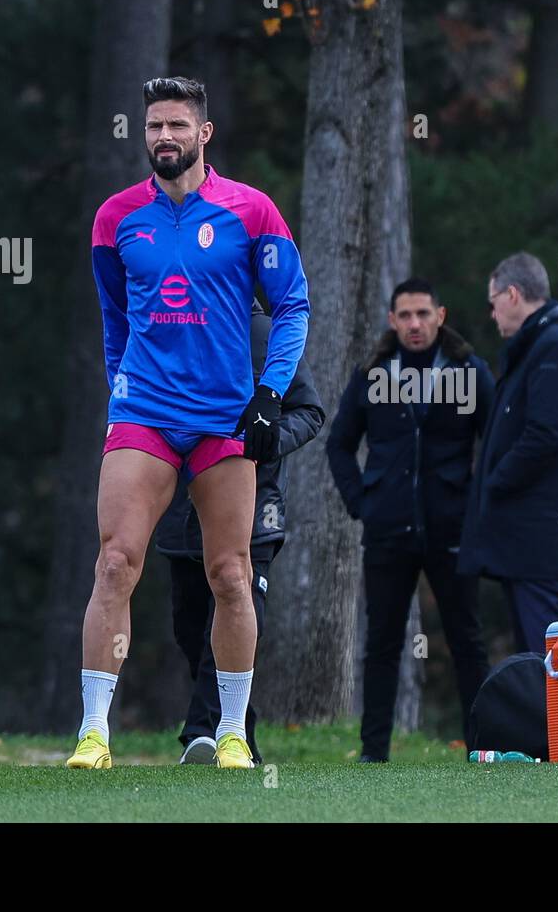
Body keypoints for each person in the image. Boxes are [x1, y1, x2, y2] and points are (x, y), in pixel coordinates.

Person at [67, 76, 309, 770]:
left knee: (230, 574)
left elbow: (292, 305)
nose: (163, 138)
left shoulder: (252, 210)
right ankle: (93, 735)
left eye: (177, 126)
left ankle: (231, 732)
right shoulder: (116, 218)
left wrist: (270, 393)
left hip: (222, 417)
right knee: (115, 563)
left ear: (204, 134)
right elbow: (115, 317)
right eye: (153, 127)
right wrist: (122, 386)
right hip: (144, 411)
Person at [326, 279, 493, 762]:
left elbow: (495, 441)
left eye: (423, 314)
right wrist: (362, 502)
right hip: (387, 530)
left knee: (468, 641)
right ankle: (373, 752)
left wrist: (475, 506)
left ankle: (484, 748)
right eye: (405, 315)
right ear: (392, 321)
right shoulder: (373, 373)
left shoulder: (468, 370)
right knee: (381, 644)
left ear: (440, 315)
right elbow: (339, 443)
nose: (415, 324)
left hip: (452, 530)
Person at [156, 298, 324, 765]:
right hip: (184, 508)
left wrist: (263, 443)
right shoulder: (173, 326)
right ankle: (239, 733)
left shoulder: (267, 333)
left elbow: (309, 411)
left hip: (255, 505)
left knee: (234, 608)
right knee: (190, 627)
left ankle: (200, 732)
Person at [458, 253, 558, 653]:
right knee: (533, 648)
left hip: (537, 531)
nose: (492, 313)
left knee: (547, 646)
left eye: (493, 300)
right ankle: (543, 717)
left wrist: (495, 481)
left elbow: (545, 435)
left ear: (513, 294)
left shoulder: (556, 348)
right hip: (523, 532)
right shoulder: (538, 346)